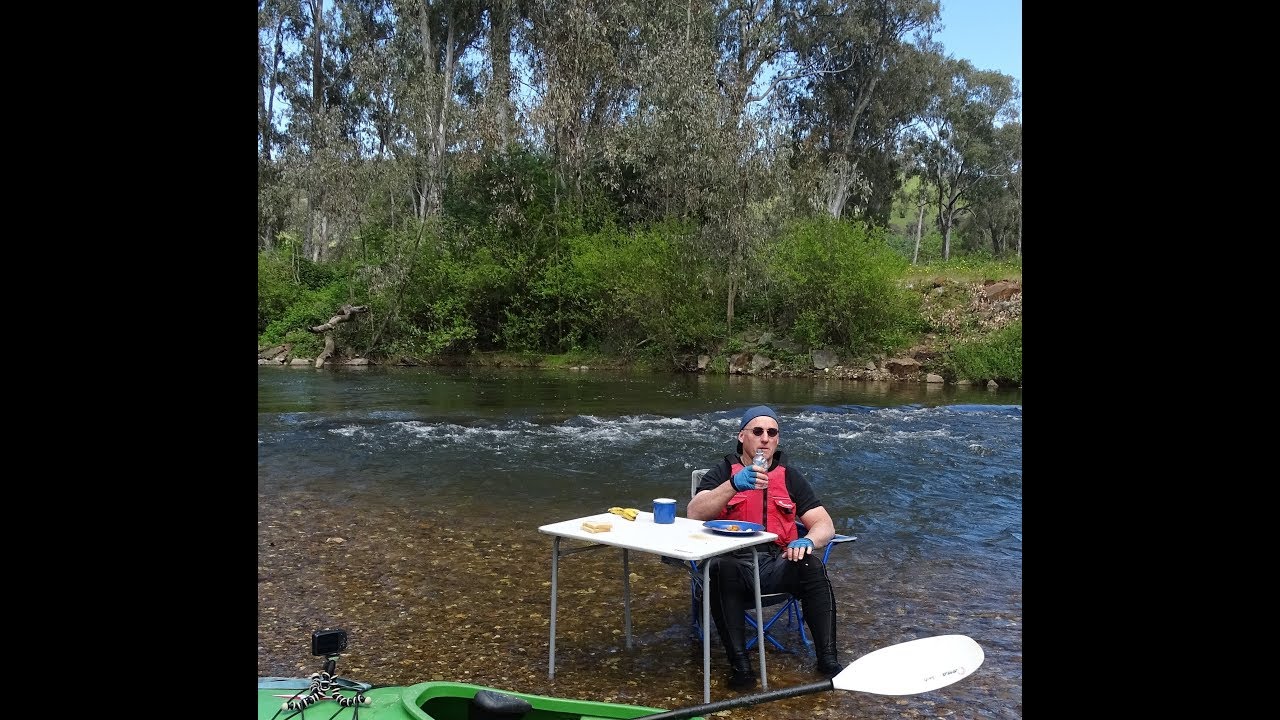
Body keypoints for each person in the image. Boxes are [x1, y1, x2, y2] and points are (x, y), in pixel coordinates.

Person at [687, 405, 842, 690]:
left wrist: (807, 540)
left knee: (811, 565)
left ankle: (829, 661)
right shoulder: (723, 471)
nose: (765, 438)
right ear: (742, 436)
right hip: (732, 563)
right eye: (757, 431)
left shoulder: (790, 476)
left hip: (775, 562)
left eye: (772, 432)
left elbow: (825, 524)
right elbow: (694, 513)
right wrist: (733, 485)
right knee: (721, 569)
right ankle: (741, 668)